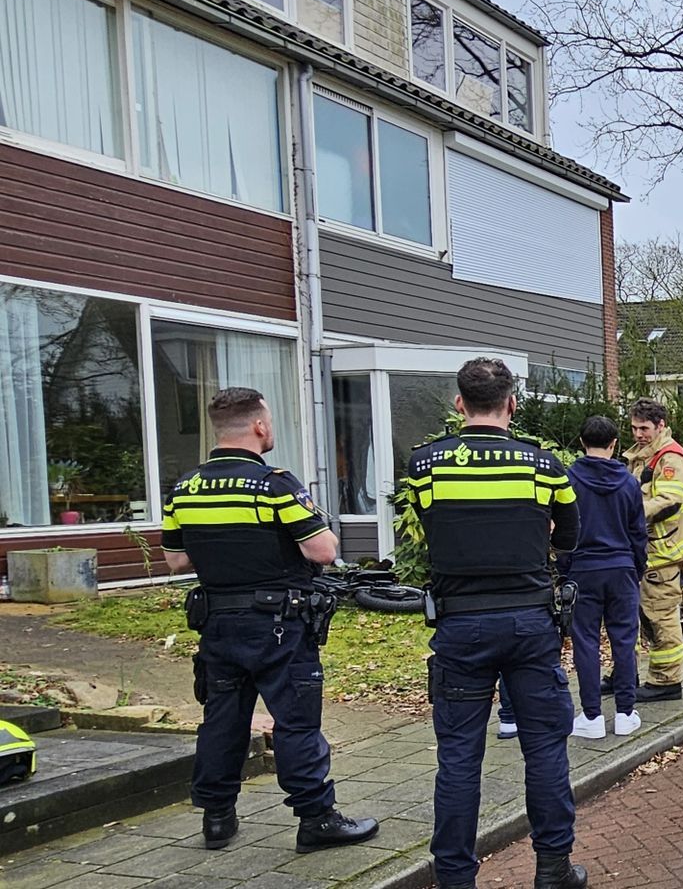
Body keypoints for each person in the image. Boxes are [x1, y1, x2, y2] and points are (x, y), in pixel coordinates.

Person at [162, 388, 378, 854]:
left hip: (217, 623)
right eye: (271, 421)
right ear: (259, 426)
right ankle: (316, 819)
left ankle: (217, 818)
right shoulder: (274, 484)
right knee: (295, 721)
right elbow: (322, 551)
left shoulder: (185, 487)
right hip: (279, 623)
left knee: (222, 720)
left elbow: (176, 560)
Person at [404, 358, 587, 889]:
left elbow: (432, 525)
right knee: (545, 747)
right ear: (512, 404)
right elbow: (568, 538)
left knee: (459, 757)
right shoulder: (544, 466)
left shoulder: (424, 465)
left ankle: (455, 879)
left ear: (459, 404)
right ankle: (553, 868)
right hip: (530, 623)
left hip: (460, 625)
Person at [561, 416, 649, 739]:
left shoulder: (568, 480)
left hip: (583, 569)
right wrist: (637, 567)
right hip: (622, 568)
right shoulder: (629, 483)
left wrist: (564, 571)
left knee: (586, 641)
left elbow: (562, 532)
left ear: (582, 443)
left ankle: (592, 716)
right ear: (614, 444)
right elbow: (638, 532)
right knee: (624, 640)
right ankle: (625, 712)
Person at [626, 398, 683, 702]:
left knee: (661, 616)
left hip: (663, 551)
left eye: (644, 428)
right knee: (642, 616)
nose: (638, 434)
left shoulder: (670, 458)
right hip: (648, 550)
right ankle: (634, 675)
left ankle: (666, 681)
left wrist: (628, 514)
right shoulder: (644, 455)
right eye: (634, 428)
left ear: (660, 426)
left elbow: (669, 502)